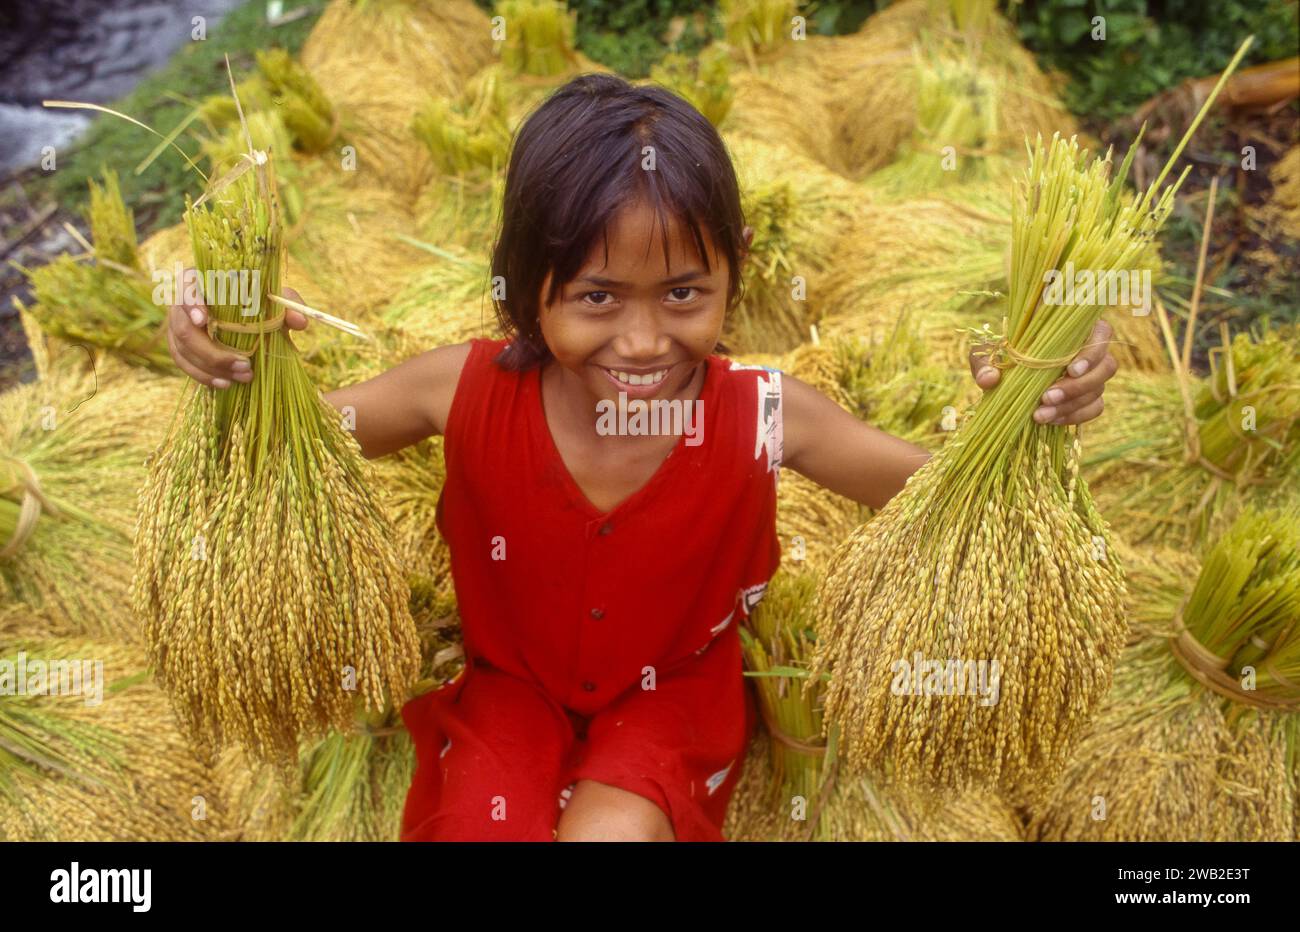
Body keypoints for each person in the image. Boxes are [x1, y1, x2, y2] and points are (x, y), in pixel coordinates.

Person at [165, 73, 1118, 841]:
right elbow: (297, 437)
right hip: (508, 691)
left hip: (678, 698)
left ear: (736, 267)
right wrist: (229, 351)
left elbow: (940, 491)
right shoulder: (455, 391)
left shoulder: (765, 415)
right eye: (598, 298)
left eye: (684, 293)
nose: (644, 340)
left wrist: (1037, 403)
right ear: (525, 283)